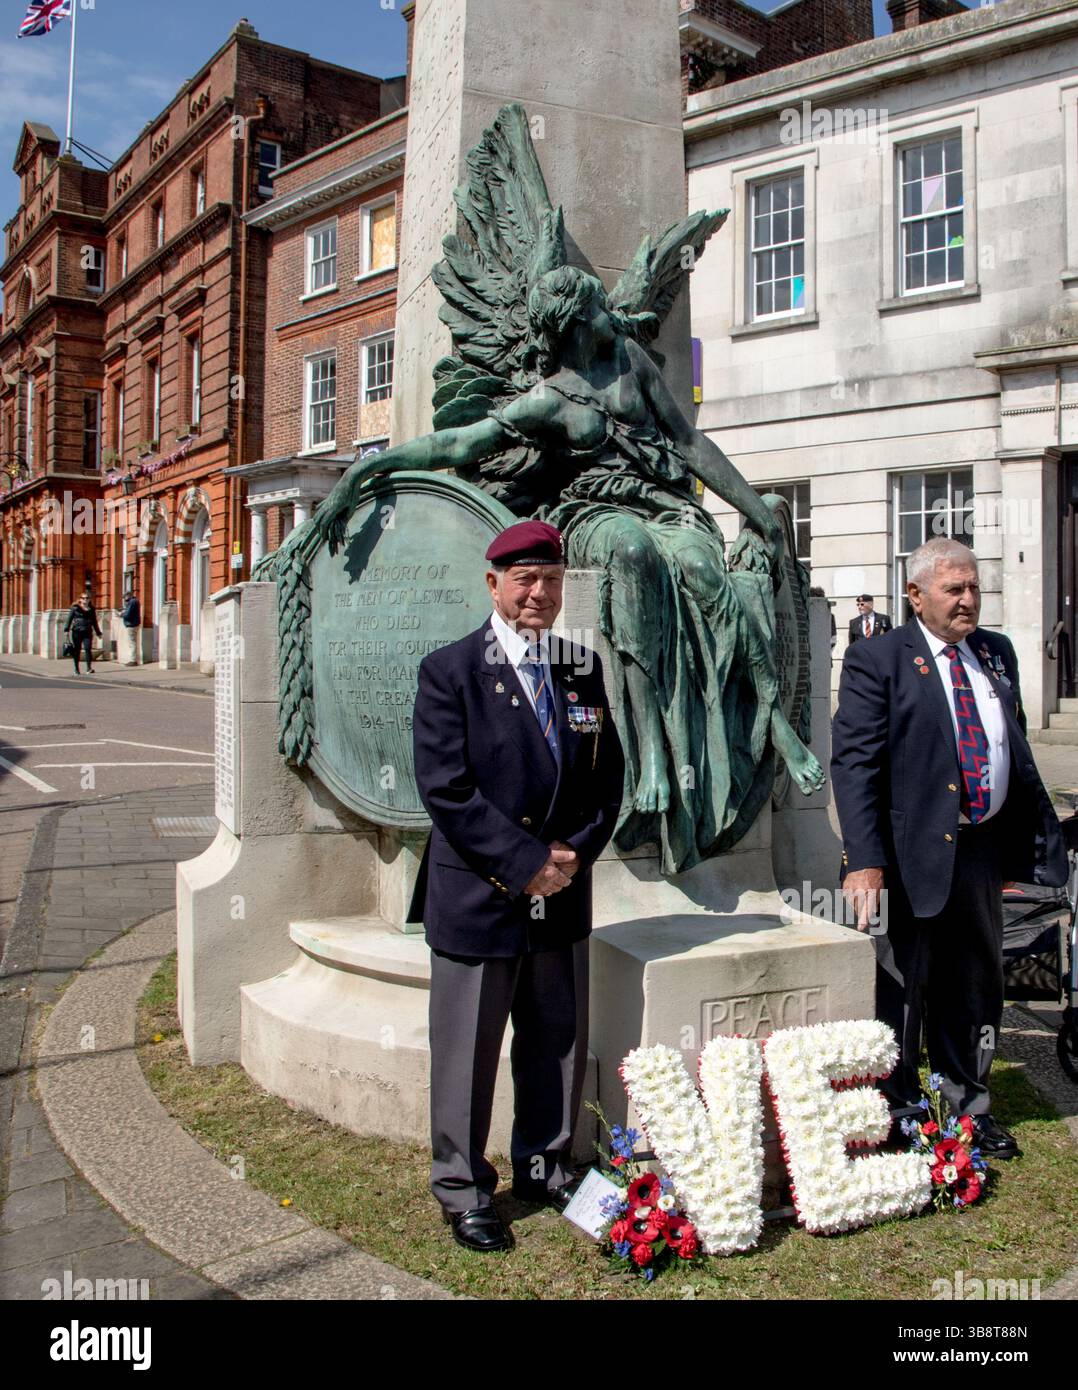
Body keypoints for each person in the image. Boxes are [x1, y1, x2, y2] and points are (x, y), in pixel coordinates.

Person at [408, 519, 625, 1252]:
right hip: (480, 893)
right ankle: (463, 1186)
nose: (539, 593)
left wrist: (572, 858)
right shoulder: (449, 672)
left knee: (555, 1040)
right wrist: (523, 860)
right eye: (525, 580)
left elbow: (607, 783)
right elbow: (447, 788)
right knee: (467, 1049)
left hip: (560, 891)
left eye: (552, 580)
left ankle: (546, 1163)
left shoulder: (580, 667)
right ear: (493, 583)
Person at [831, 537, 1066, 1159]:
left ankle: (970, 1107)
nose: (968, 600)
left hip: (981, 852)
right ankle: (903, 1111)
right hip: (908, 858)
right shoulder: (877, 658)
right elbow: (854, 765)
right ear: (915, 595)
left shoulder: (995, 653)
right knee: (903, 988)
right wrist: (866, 861)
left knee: (976, 984)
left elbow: (1007, 743)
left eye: (973, 588)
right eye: (953, 589)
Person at [64, 593, 101, 676]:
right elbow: (69, 619)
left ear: (89, 600)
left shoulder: (91, 609)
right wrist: (66, 630)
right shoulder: (75, 608)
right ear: (80, 599)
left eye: (87, 598)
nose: (85, 600)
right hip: (77, 631)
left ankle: (88, 668)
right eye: (83, 598)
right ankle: (76, 669)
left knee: (88, 649)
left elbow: (94, 622)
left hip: (87, 631)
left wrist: (98, 632)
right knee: (77, 650)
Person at [121, 590, 141, 665]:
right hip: (134, 624)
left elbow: (127, 615)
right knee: (133, 642)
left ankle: (133, 660)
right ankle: (134, 659)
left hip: (131, 624)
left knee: (132, 642)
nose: (124, 599)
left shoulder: (132, 602)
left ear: (128, 595)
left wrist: (122, 614)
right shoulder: (134, 601)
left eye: (124, 597)